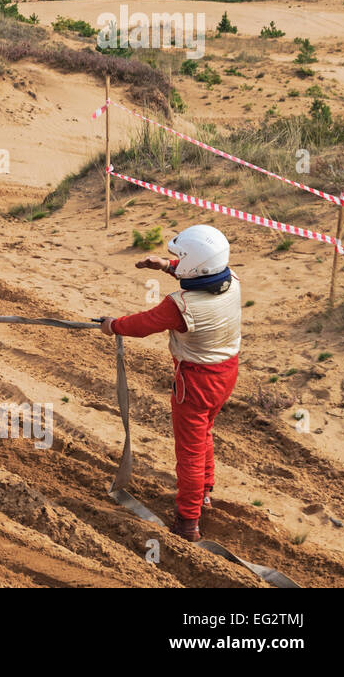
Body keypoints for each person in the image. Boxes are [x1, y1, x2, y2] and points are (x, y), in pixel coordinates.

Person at [99, 224, 240, 542]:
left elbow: (142, 324)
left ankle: (188, 522)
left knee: (189, 451)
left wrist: (112, 326)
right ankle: (204, 492)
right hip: (227, 372)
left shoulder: (180, 306)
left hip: (196, 382)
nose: (174, 259)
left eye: (178, 257)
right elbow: (203, 274)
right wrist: (166, 267)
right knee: (204, 433)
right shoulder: (232, 283)